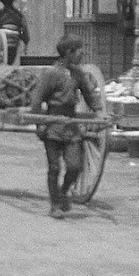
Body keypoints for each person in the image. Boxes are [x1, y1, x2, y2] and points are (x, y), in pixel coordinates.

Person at [29, 34, 102, 218]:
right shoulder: (51, 74)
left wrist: (99, 112)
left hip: (71, 125)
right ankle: (55, 205)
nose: (82, 53)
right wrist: (39, 124)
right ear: (68, 53)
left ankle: (63, 193)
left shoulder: (78, 74)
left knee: (75, 166)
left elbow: (90, 96)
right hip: (52, 124)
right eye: (79, 50)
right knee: (54, 168)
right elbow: (37, 101)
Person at [0, 0, 29, 64]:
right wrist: (25, 41)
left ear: (2, 2)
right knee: (10, 62)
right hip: (14, 43)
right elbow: (24, 31)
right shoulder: (19, 15)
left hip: (2, 42)